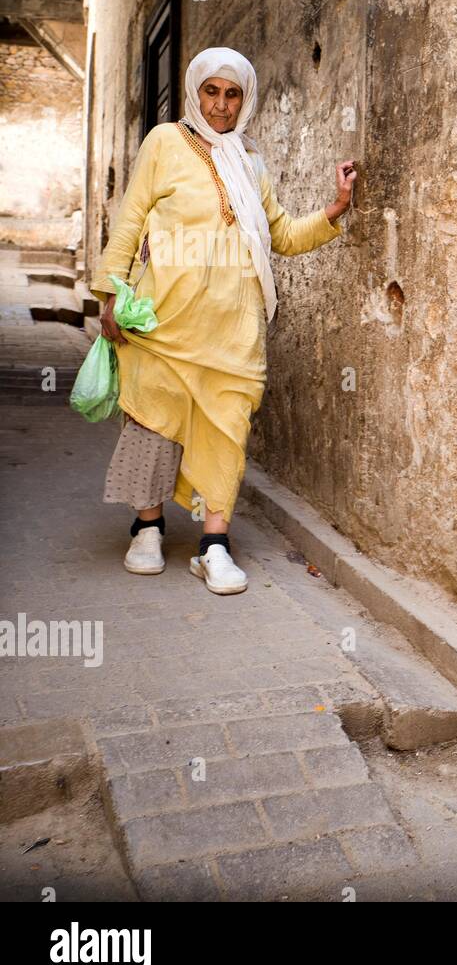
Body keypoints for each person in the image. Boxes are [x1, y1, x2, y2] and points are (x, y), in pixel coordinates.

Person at [90, 46, 357, 595]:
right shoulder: (164, 142)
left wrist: (335, 209)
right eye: (211, 91)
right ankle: (147, 527)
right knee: (153, 418)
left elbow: (278, 235)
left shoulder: (250, 160)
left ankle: (214, 544)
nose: (220, 104)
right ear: (195, 92)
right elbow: (132, 217)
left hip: (234, 327)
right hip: (162, 320)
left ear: (245, 99)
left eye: (231, 93)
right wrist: (109, 293)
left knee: (227, 428)